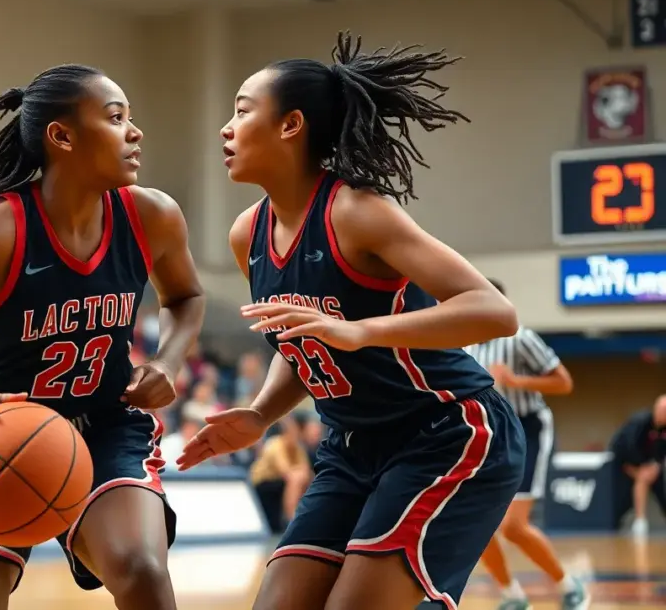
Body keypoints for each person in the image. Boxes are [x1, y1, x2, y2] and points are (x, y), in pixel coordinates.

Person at [177, 33, 526, 610]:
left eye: (241, 111)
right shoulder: (248, 234)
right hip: (348, 445)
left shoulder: (358, 212)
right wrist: (260, 413)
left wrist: (364, 331)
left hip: (445, 429)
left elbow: (495, 310)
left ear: (291, 126)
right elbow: (303, 347)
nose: (225, 127)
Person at [0, 64, 205, 610]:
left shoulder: (153, 215)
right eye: (117, 118)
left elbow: (187, 298)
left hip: (106, 424)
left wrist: (168, 360)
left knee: (142, 572)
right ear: (62, 136)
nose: (135, 132)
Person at [463, 280, 588, 610]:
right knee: (478, 524)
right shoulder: (464, 346)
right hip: (491, 434)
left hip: (528, 428)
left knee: (514, 527)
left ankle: (568, 585)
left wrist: (517, 381)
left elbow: (564, 382)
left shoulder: (521, 338)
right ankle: (512, 596)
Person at [609, 395, 666, 537]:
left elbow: (662, 452)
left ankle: (640, 522)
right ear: (656, 409)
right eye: (663, 410)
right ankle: (635, 523)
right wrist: (637, 468)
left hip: (650, 468)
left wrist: (656, 466)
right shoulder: (640, 422)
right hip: (624, 465)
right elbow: (625, 446)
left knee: (661, 491)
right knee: (621, 503)